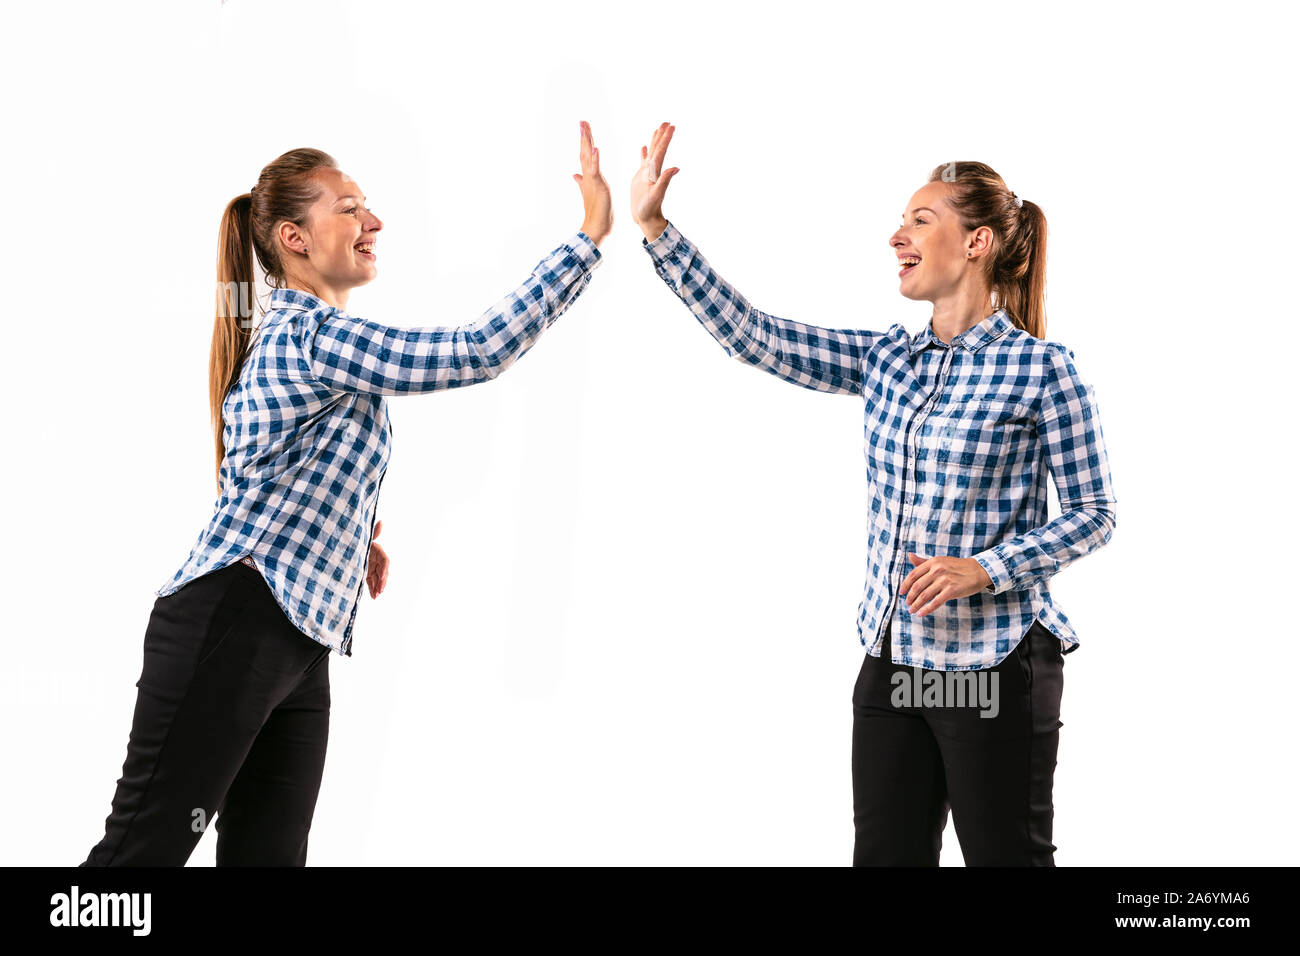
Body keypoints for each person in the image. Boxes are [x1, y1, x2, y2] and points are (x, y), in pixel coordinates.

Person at [80, 122, 612, 866]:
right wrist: (587, 238)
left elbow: (274, 472)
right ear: (295, 239)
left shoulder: (310, 342)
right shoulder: (312, 338)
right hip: (234, 622)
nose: (374, 221)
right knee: (136, 862)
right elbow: (475, 350)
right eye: (351, 207)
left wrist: (350, 537)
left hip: (297, 642)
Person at [629, 122, 1117, 866]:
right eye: (901, 221)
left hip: (991, 665)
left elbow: (1094, 514)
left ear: (978, 243)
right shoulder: (888, 358)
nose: (897, 236)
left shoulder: (1044, 370)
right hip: (892, 661)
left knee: (1007, 858)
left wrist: (986, 567)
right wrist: (658, 231)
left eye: (921, 220)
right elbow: (754, 337)